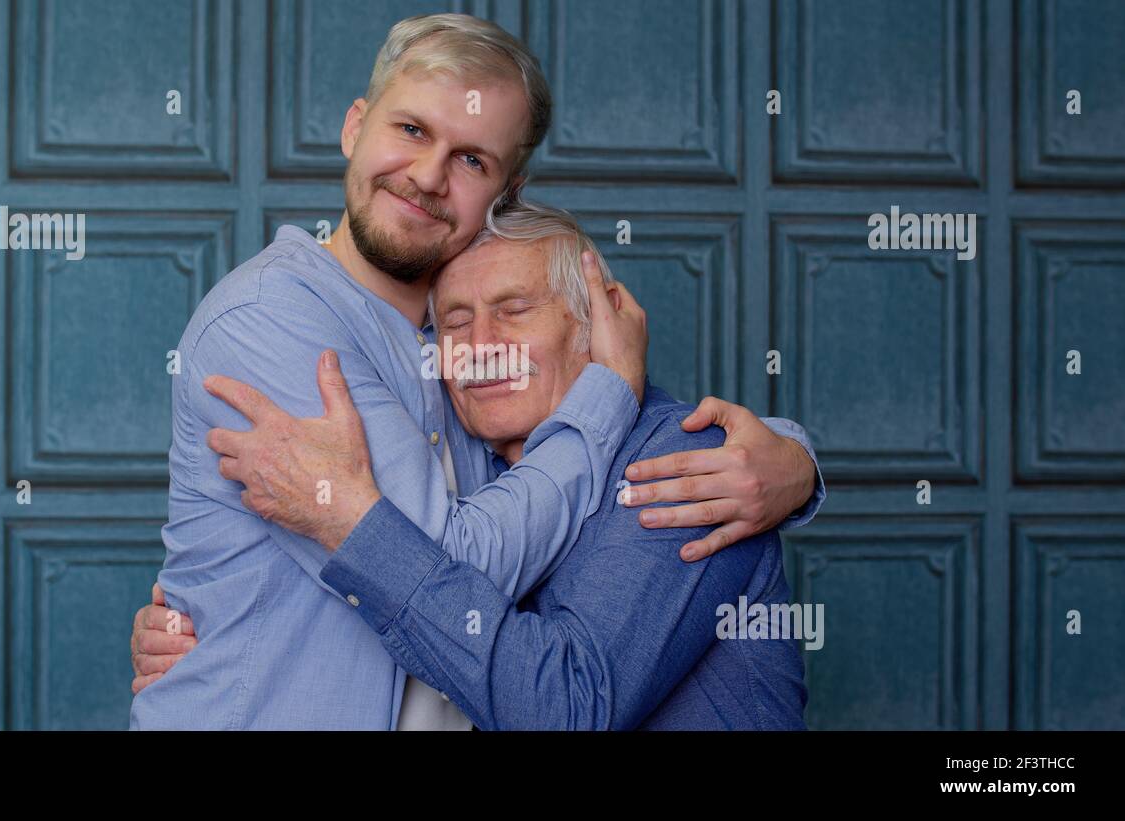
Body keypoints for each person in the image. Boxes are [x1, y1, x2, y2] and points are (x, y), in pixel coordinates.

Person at [129, 13, 823, 730]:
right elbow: (452, 569)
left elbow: (494, 594)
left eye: (470, 160)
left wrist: (789, 459)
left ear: (505, 192)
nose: (428, 175)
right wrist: (609, 392)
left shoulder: (461, 376)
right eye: (410, 130)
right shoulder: (269, 318)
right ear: (353, 127)